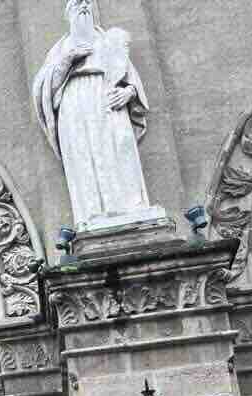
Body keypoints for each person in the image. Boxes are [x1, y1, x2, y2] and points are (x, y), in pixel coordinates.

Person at [33, 0, 151, 228]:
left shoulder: (109, 40)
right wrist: (68, 59)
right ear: (69, 13)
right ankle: (91, 213)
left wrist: (128, 93)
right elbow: (44, 90)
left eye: (87, 3)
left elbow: (131, 78)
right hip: (75, 106)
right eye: (78, 4)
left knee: (119, 147)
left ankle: (130, 207)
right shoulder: (60, 49)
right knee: (84, 155)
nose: (83, 7)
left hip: (108, 101)